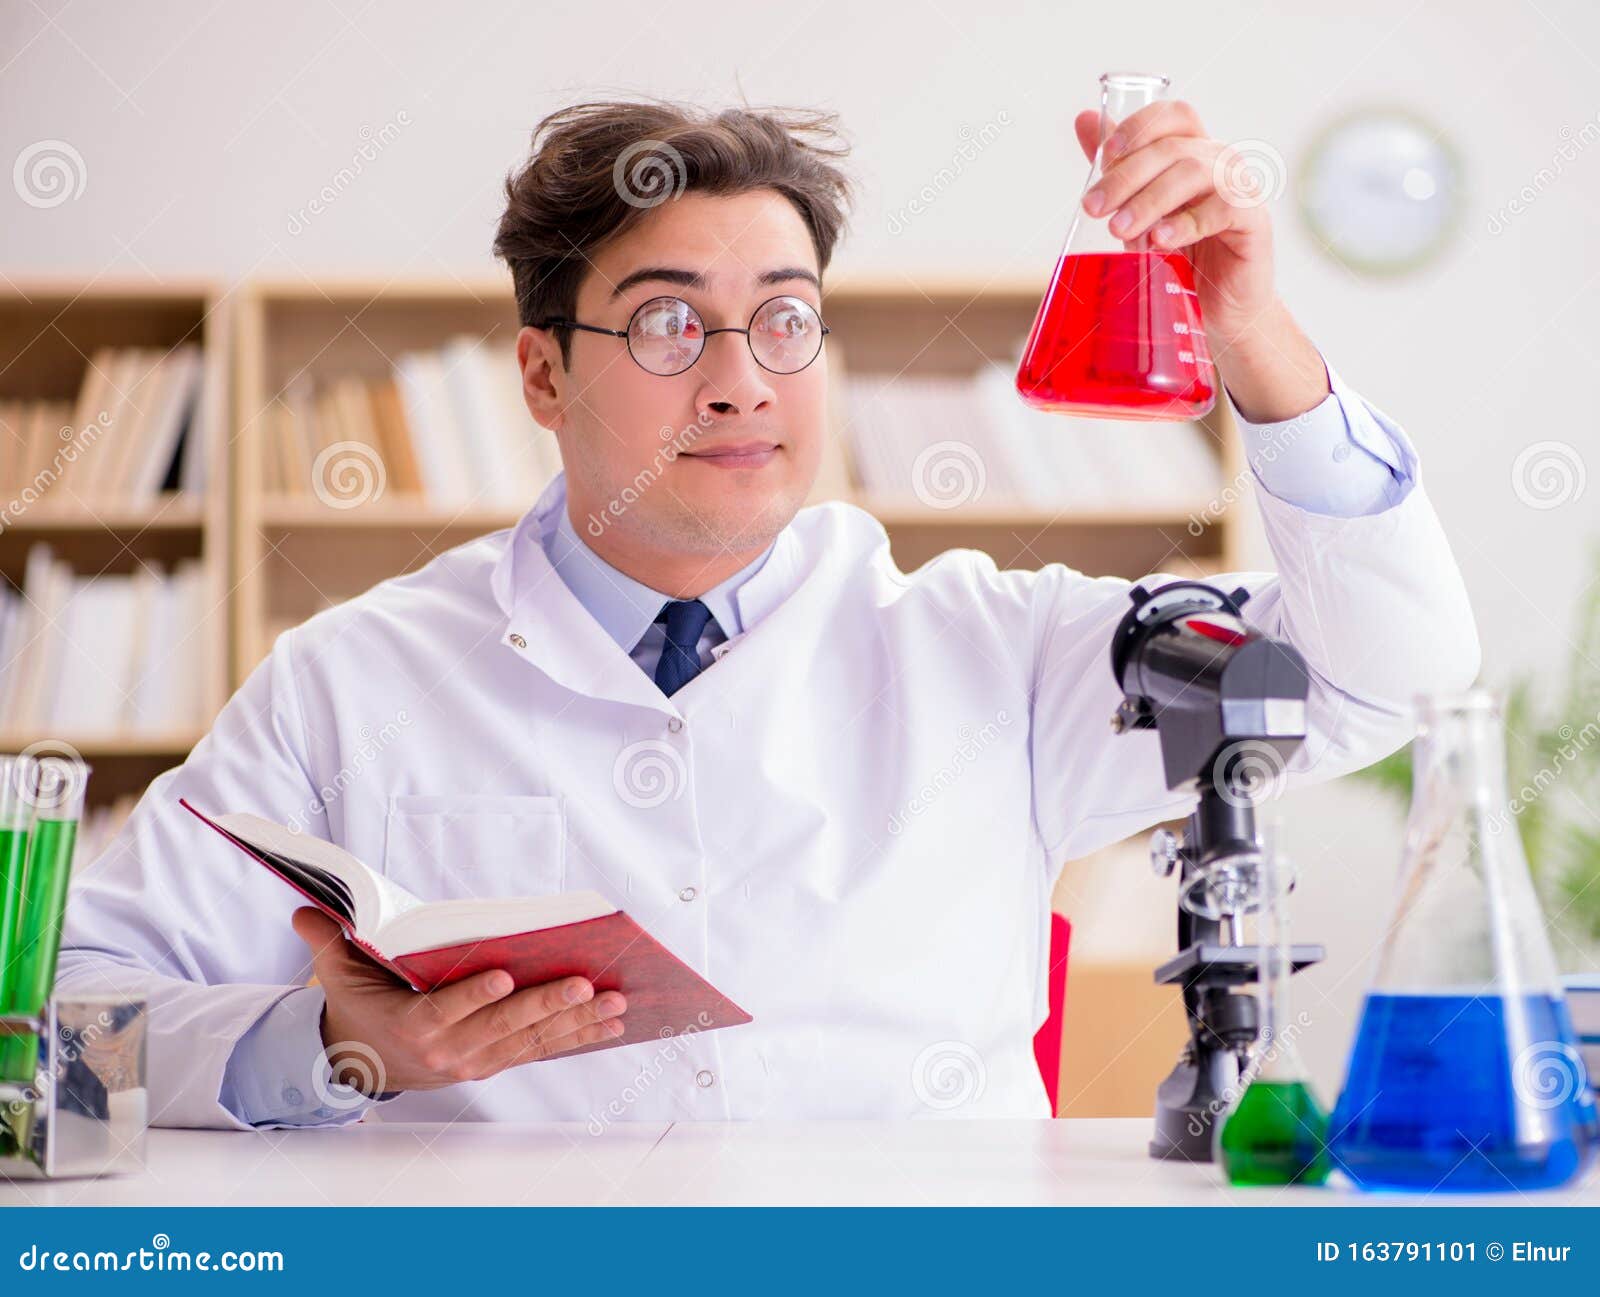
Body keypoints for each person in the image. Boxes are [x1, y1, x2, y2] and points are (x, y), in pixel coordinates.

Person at [57, 98, 1478, 1129]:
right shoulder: (351, 677)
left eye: (785, 319)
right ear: (542, 378)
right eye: (672, 324)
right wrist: (327, 1042)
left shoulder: (998, 645)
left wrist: (1253, 333)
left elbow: (1381, 686)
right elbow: (65, 1020)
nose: (741, 378)